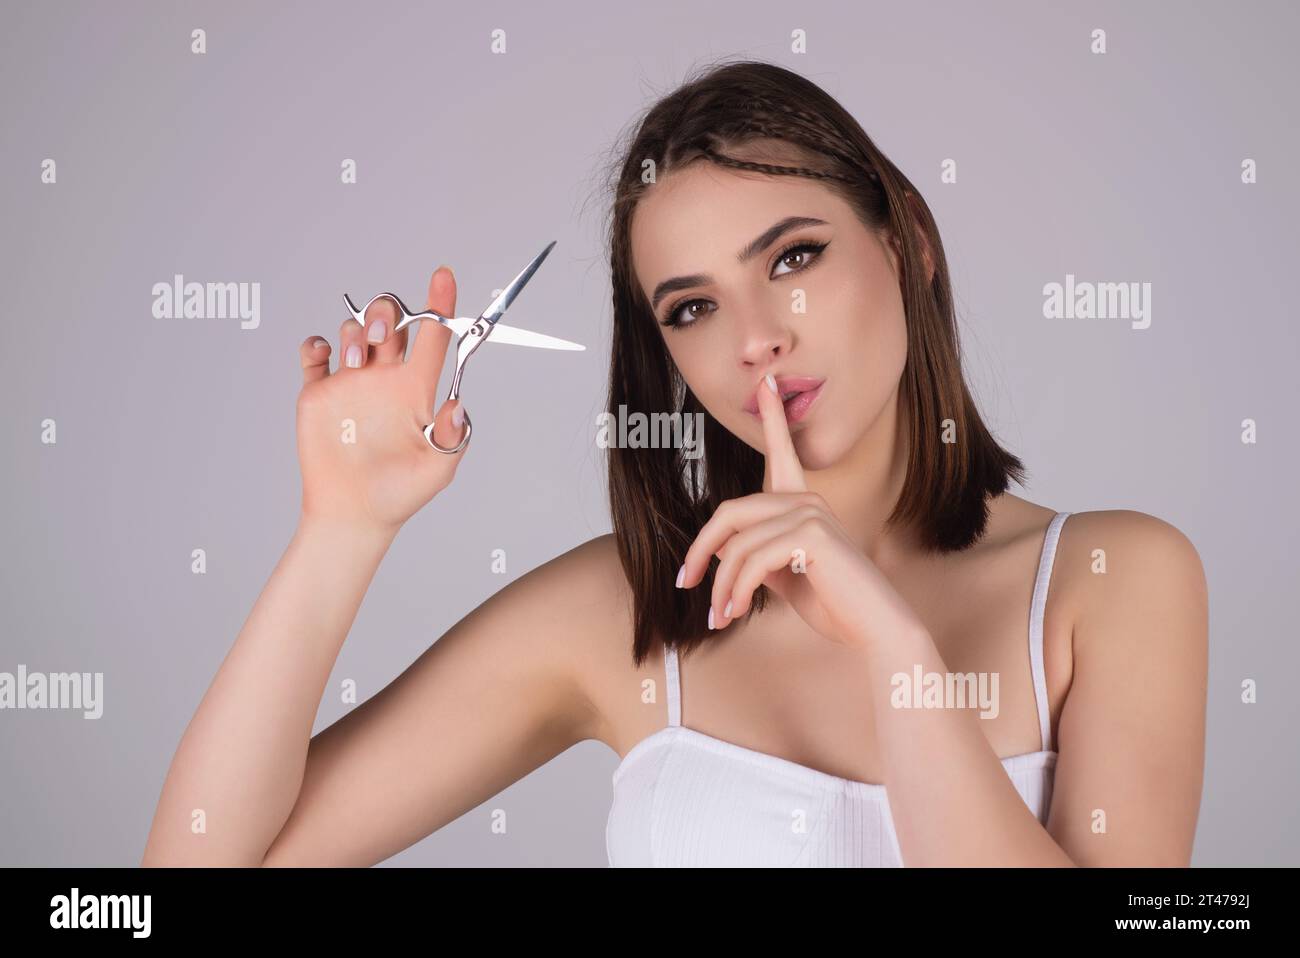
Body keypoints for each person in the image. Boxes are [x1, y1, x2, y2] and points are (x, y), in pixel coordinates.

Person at [142, 58, 1207, 868]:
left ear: (908, 244)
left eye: (792, 257)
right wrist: (342, 530)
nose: (753, 337)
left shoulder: (1112, 578)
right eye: (691, 306)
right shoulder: (626, 607)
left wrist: (895, 648)